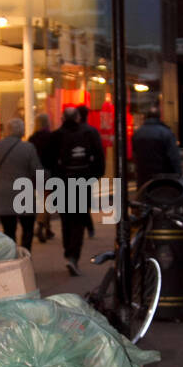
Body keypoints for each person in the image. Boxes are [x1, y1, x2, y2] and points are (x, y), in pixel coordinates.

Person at [48, 106, 105, 275]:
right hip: (82, 182)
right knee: (79, 220)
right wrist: (93, 176)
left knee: (66, 219)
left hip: (62, 182)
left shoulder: (56, 136)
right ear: (78, 118)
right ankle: (73, 255)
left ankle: (69, 252)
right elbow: (99, 158)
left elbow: (48, 161)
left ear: (63, 118)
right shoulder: (90, 133)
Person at [0, 118, 41, 252]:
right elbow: (37, 171)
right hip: (24, 194)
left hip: (3, 195)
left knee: (8, 230)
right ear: (22, 131)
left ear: (6, 131)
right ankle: (26, 255)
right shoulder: (28, 148)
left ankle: (12, 257)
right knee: (28, 229)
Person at [131, 105, 181, 188]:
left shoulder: (138, 133)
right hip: (162, 178)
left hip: (143, 177)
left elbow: (135, 154)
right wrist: (178, 174)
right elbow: (173, 156)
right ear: (160, 117)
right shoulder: (165, 133)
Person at [76, 103, 104, 238]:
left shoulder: (73, 132)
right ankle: (87, 226)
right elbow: (99, 153)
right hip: (88, 172)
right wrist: (98, 171)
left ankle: (84, 226)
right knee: (83, 200)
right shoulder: (92, 131)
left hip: (74, 172)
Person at [28, 112, 54, 241]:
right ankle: (40, 225)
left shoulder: (32, 138)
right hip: (48, 172)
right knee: (47, 201)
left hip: (35, 173)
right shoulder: (51, 137)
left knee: (43, 200)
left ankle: (48, 229)